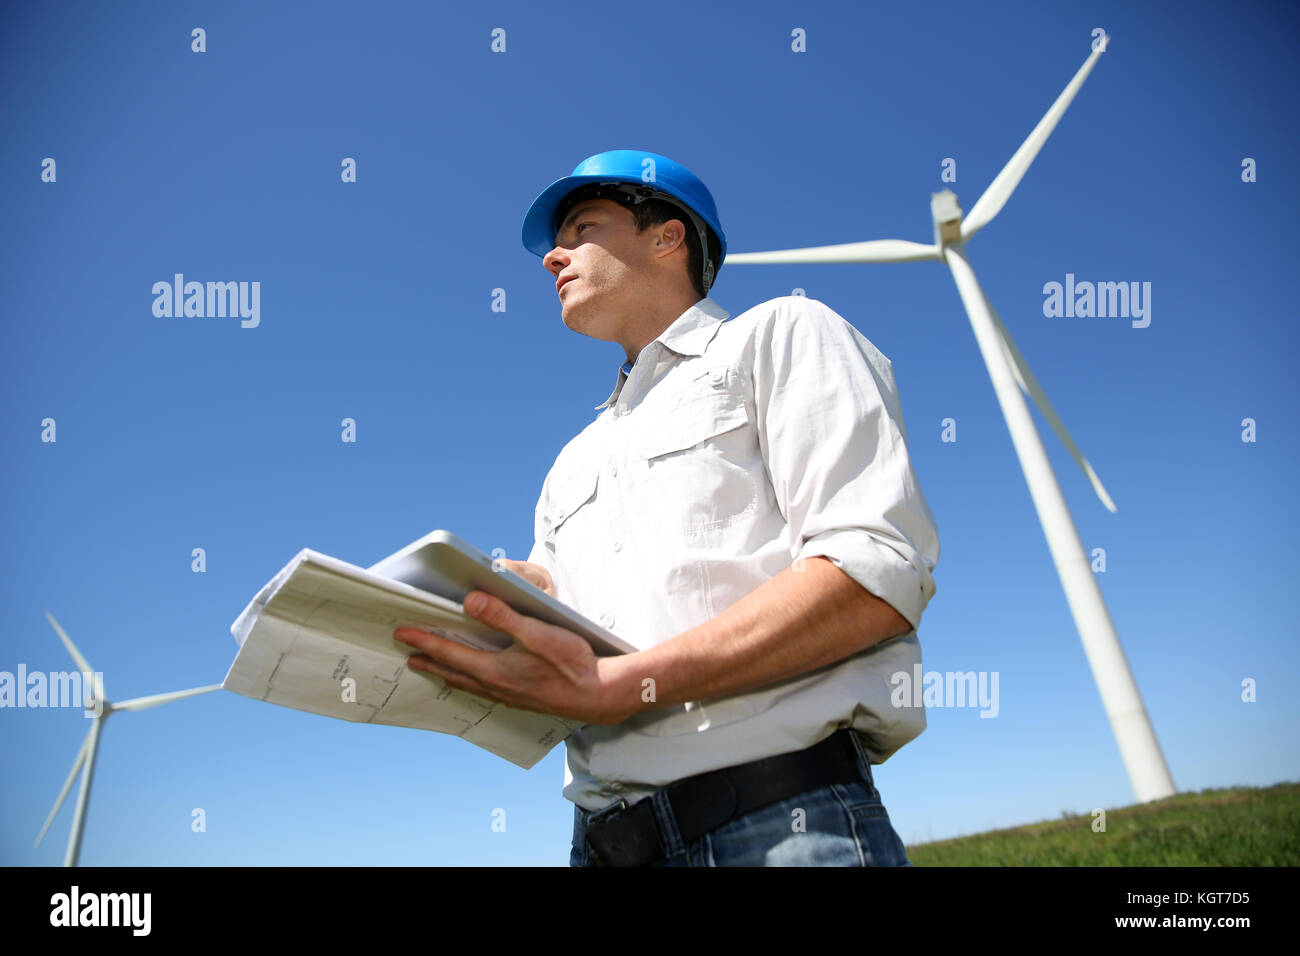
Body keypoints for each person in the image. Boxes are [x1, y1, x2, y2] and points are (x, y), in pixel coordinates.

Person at [393, 149, 940, 866]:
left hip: (779, 826)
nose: (553, 258)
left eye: (580, 229)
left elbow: (874, 573)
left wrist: (626, 685)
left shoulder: (781, 334)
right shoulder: (572, 461)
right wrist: (525, 598)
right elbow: (584, 626)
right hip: (602, 845)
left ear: (667, 236)